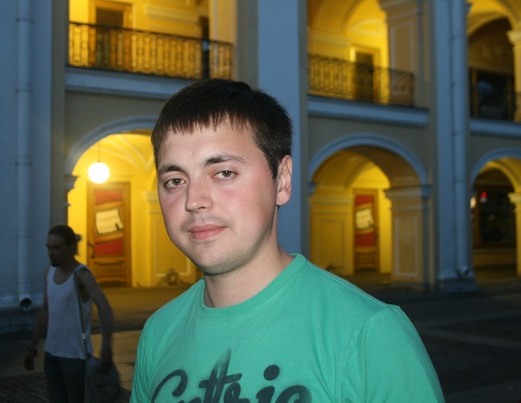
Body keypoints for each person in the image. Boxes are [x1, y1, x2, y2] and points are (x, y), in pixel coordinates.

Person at [130, 79, 445, 402]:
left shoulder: (368, 333)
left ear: (281, 180)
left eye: (224, 173)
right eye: (175, 180)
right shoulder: (159, 332)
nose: (194, 200)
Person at [24, 224, 115, 403]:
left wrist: (106, 346)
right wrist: (32, 346)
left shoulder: (81, 275)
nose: (51, 253)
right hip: (51, 354)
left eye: (56, 248)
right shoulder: (49, 273)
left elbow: (105, 308)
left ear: (71, 247)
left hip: (75, 357)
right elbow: (45, 311)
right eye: (48, 247)